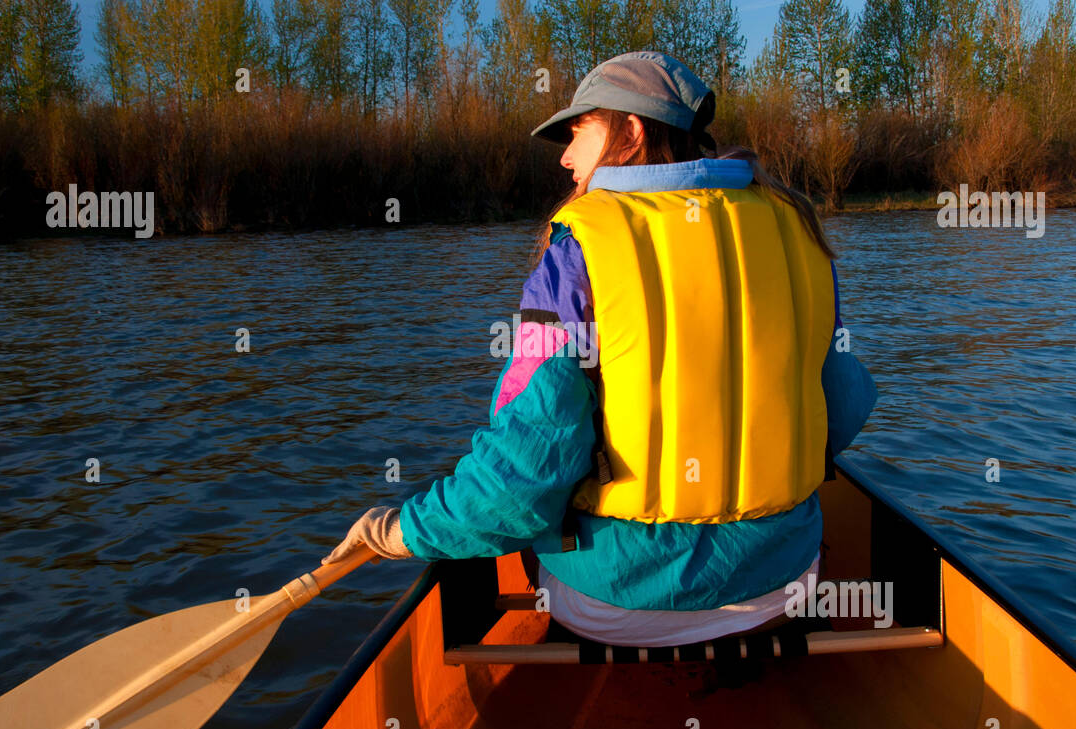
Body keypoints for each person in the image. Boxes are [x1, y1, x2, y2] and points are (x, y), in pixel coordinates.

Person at [326, 51, 877, 646]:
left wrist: (402, 529)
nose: (565, 157)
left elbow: (525, 478)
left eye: (577, 132)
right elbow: (842, 411)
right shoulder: (797, 229)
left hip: (618, 605)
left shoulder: (577, 251)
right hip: (785, 581)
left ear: (631, 131)